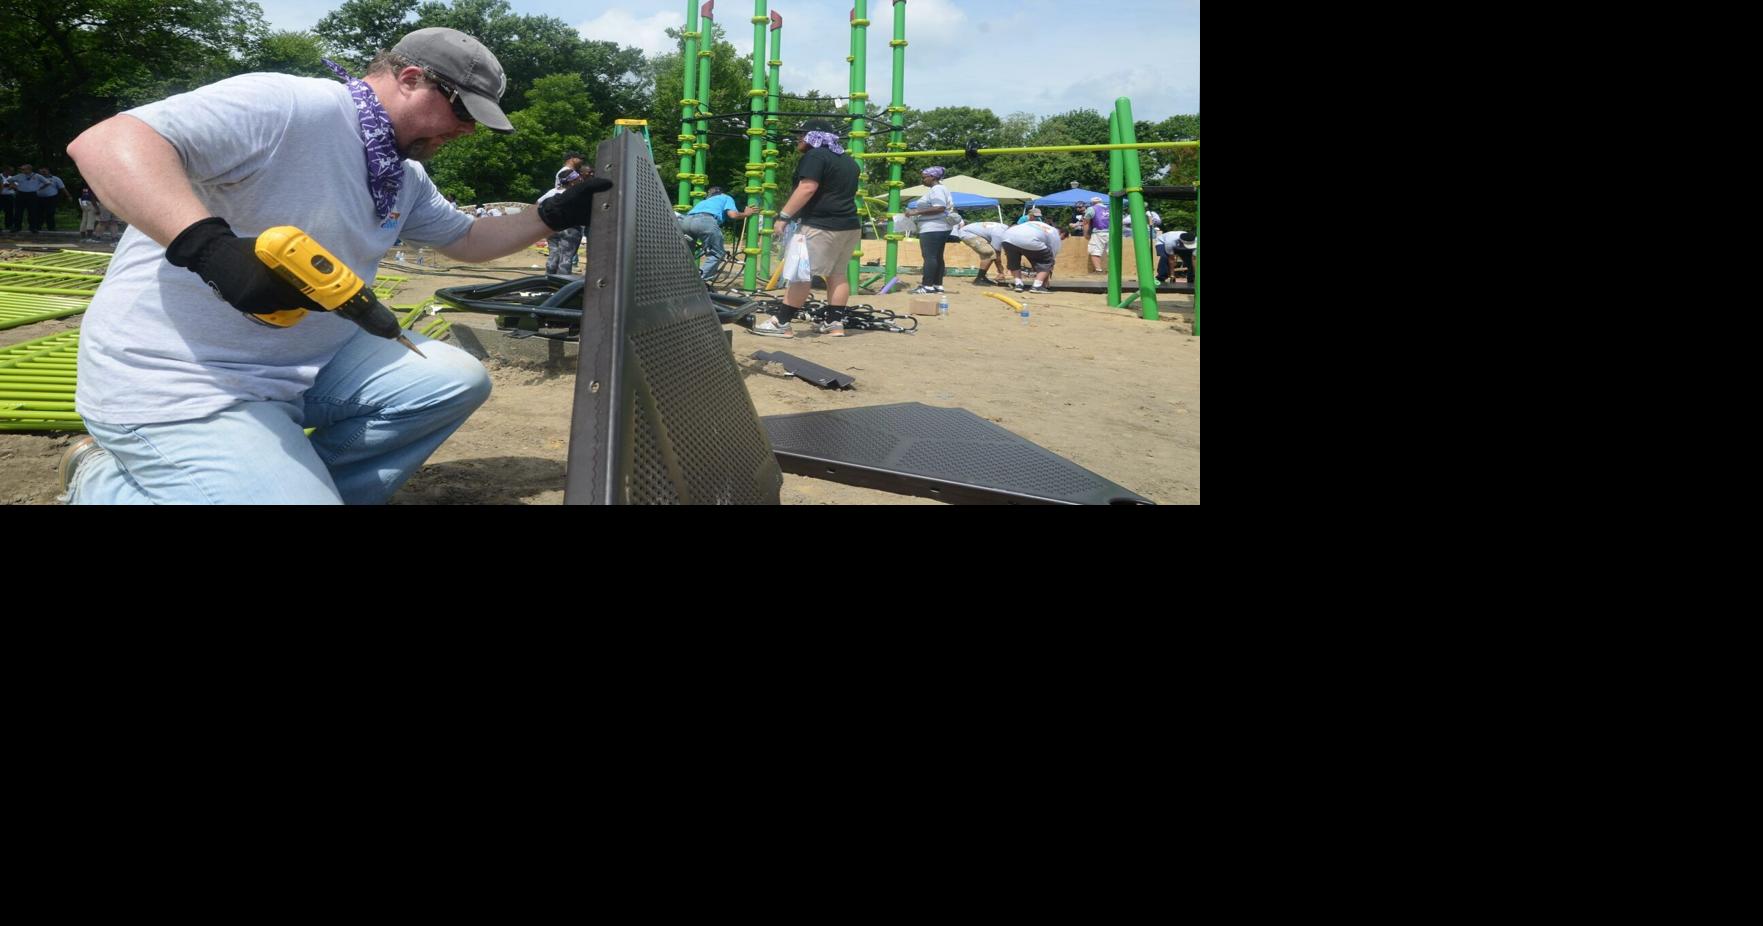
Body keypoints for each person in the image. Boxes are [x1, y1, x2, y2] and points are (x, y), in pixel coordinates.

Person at [58, 26, 613, 505]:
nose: (468, 129)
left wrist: (552, 214)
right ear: (412, 77)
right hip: (182, 380)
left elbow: (466, 238)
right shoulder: (292, 106)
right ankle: (98, 478)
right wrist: (210, 249)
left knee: (452, 379)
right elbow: (109, 141)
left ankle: (304, 485)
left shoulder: (399, 174)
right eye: (463, 110)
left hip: (305, 364)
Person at [752, 117, 860, 338]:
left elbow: (807, 187)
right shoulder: (848, 161)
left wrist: (784, 216)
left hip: (822, 225)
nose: (797, 139)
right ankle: (834, 323)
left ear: (814, 137)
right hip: (849, 225)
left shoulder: (815, 155)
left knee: (802, 273)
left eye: (801, 135)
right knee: (837, 274)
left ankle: (781, 323)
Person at [680, 183, 760, 282]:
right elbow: (733, 215)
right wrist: (746, 213)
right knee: (717, 253)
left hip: (685, 221)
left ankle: (682, 279)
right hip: (705, 221)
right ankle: (700, 282)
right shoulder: (726, 197)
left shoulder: (705, 201)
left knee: (687, 253)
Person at [905, 165, 956, 294]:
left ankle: (927, 285)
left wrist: (914, 212)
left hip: (933, 227)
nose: (922, 180)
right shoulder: (940, 189)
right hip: (940, 226)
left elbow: (939, 207)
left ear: (932, 177)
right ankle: (937, 285)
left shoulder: (937, 189)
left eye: (924, 177)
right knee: (937, 256)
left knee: (930, 257)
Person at [537, 170, 589, 274]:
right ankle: (561, 284)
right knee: (566, 258)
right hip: (571, 229)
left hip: (551, 228)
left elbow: (538, 204)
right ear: (572, 182)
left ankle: (548, 281)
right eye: (578, 179)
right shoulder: (578, 193)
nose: (581, 180)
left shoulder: (552, 191)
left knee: (553, 255)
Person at [1001, 218, 1064, 293]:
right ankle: (1037, 286)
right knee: (1047, 261)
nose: (1061, 240)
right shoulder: (1054, 233)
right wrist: (1045, 280)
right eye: (1062, 238)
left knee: (1014, 261)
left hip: (1006, 237)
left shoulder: (1036, 224)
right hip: (1029, 239)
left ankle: (1018, 284)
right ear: (1061, 233)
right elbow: (1050, 258)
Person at [954, 219, 1010, 285]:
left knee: (989, 254)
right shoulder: (999, 234)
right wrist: (1001, 272)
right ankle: (979, 278)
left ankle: (982, 277)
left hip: (969, 232)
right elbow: (997, 255)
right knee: (989, 253)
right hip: (967, 233)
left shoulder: (1004, 227)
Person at [10, 163, 45, 233]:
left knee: (33, 211)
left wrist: (38, 188)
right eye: (21, 169)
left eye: (23, 169)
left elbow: (47, 182)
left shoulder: (37, 176)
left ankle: (33, 227)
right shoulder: (19, 176)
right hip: (21, 194)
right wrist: (14, 186)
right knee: (18, 211)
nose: (22, 170)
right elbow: (10, 180)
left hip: (32, 195)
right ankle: (17, 227)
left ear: (29, 169)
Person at [33, 166, 67, 231]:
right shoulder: (36, 178)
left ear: (48, 171)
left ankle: (51, 227)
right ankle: (37, 227)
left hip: (51, 198)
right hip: (39, 198)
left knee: (50, 213)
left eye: (44, 171)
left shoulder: (55, 179)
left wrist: (68, 196)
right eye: (42, 171)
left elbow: (62, 188)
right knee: (39, 213)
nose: (43, 172)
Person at [1081, 196, 1110, 272]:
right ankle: (1112, 269)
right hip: (1111, 233)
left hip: (1098, 232)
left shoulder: (1092, 208)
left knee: (1095, 251)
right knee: (1110, 252)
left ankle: (1098, 269)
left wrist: (1086, 234)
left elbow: (1086, 222)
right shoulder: (1109, 208)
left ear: (1092, 202)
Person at [1, 165, 16, 233]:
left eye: (12, 171)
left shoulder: (12, 177)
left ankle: (9, 226)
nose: (11, 172)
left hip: (9, 196)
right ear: (5, 170)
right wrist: (8, 185)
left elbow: (15, 186)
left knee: (9, 212)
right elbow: (3, 185)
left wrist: (8, 185)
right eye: (10, 171)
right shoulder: (0, 176)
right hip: (1, 196)